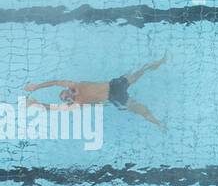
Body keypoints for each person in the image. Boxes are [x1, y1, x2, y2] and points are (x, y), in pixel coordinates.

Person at [23, 53, 169, 129]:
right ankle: (159, 124)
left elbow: (54, 83)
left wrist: (36, 86)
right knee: (141, 110)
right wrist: (37, 104)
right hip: (114, 97)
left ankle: (160, 62)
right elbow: (56, 108)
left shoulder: (76, 85)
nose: (66, 94)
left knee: (139, 72)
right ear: (68, 99)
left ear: (67, 89)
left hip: (114, 85)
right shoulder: (78, 103)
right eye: (65, 97)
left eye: (65, 92)